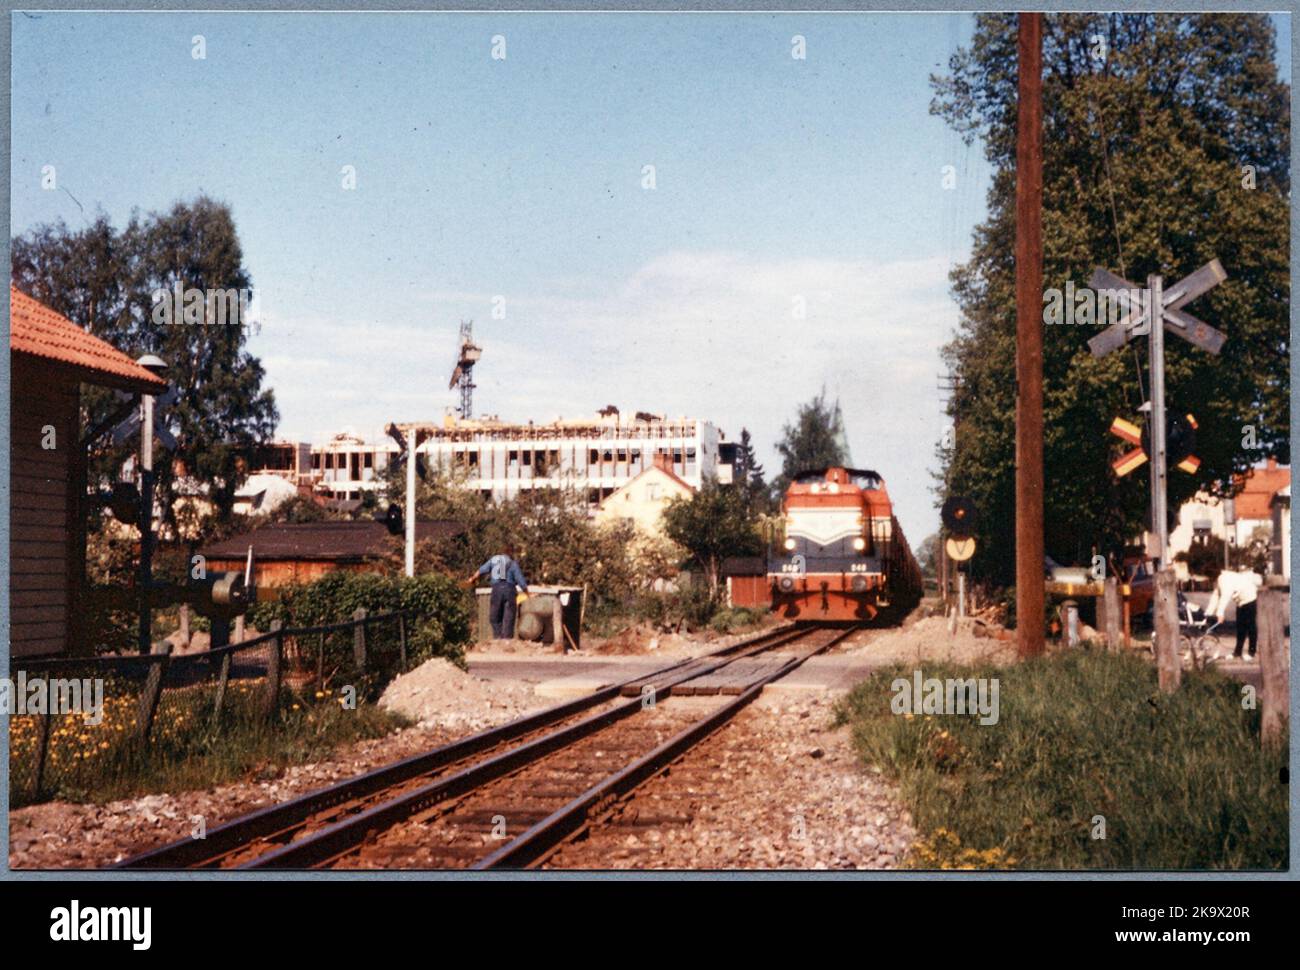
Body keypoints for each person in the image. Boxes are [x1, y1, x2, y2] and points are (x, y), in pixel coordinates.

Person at [467, 545, 529, 639]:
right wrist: (527, 593)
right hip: (510, 590)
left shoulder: (493, 560)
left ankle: (497, 638)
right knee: (509, 617)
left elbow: (481, 570)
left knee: (495, 616)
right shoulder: (512, 563)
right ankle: (506, 641)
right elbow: (521, 582)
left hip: (496, 589)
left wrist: (472, 579)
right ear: (511, 553)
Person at [1206, 564, 1263, 659]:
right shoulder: (1219, 579)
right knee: (1240, 628)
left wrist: (1220, 614)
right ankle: (1237, 652)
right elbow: (1216, 596)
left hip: (1250, 598)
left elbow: (1225, 597)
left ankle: (1251, 653)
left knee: (1250, 627)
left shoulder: (1224, 579)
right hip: (1240, 602)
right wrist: (1208, 613)